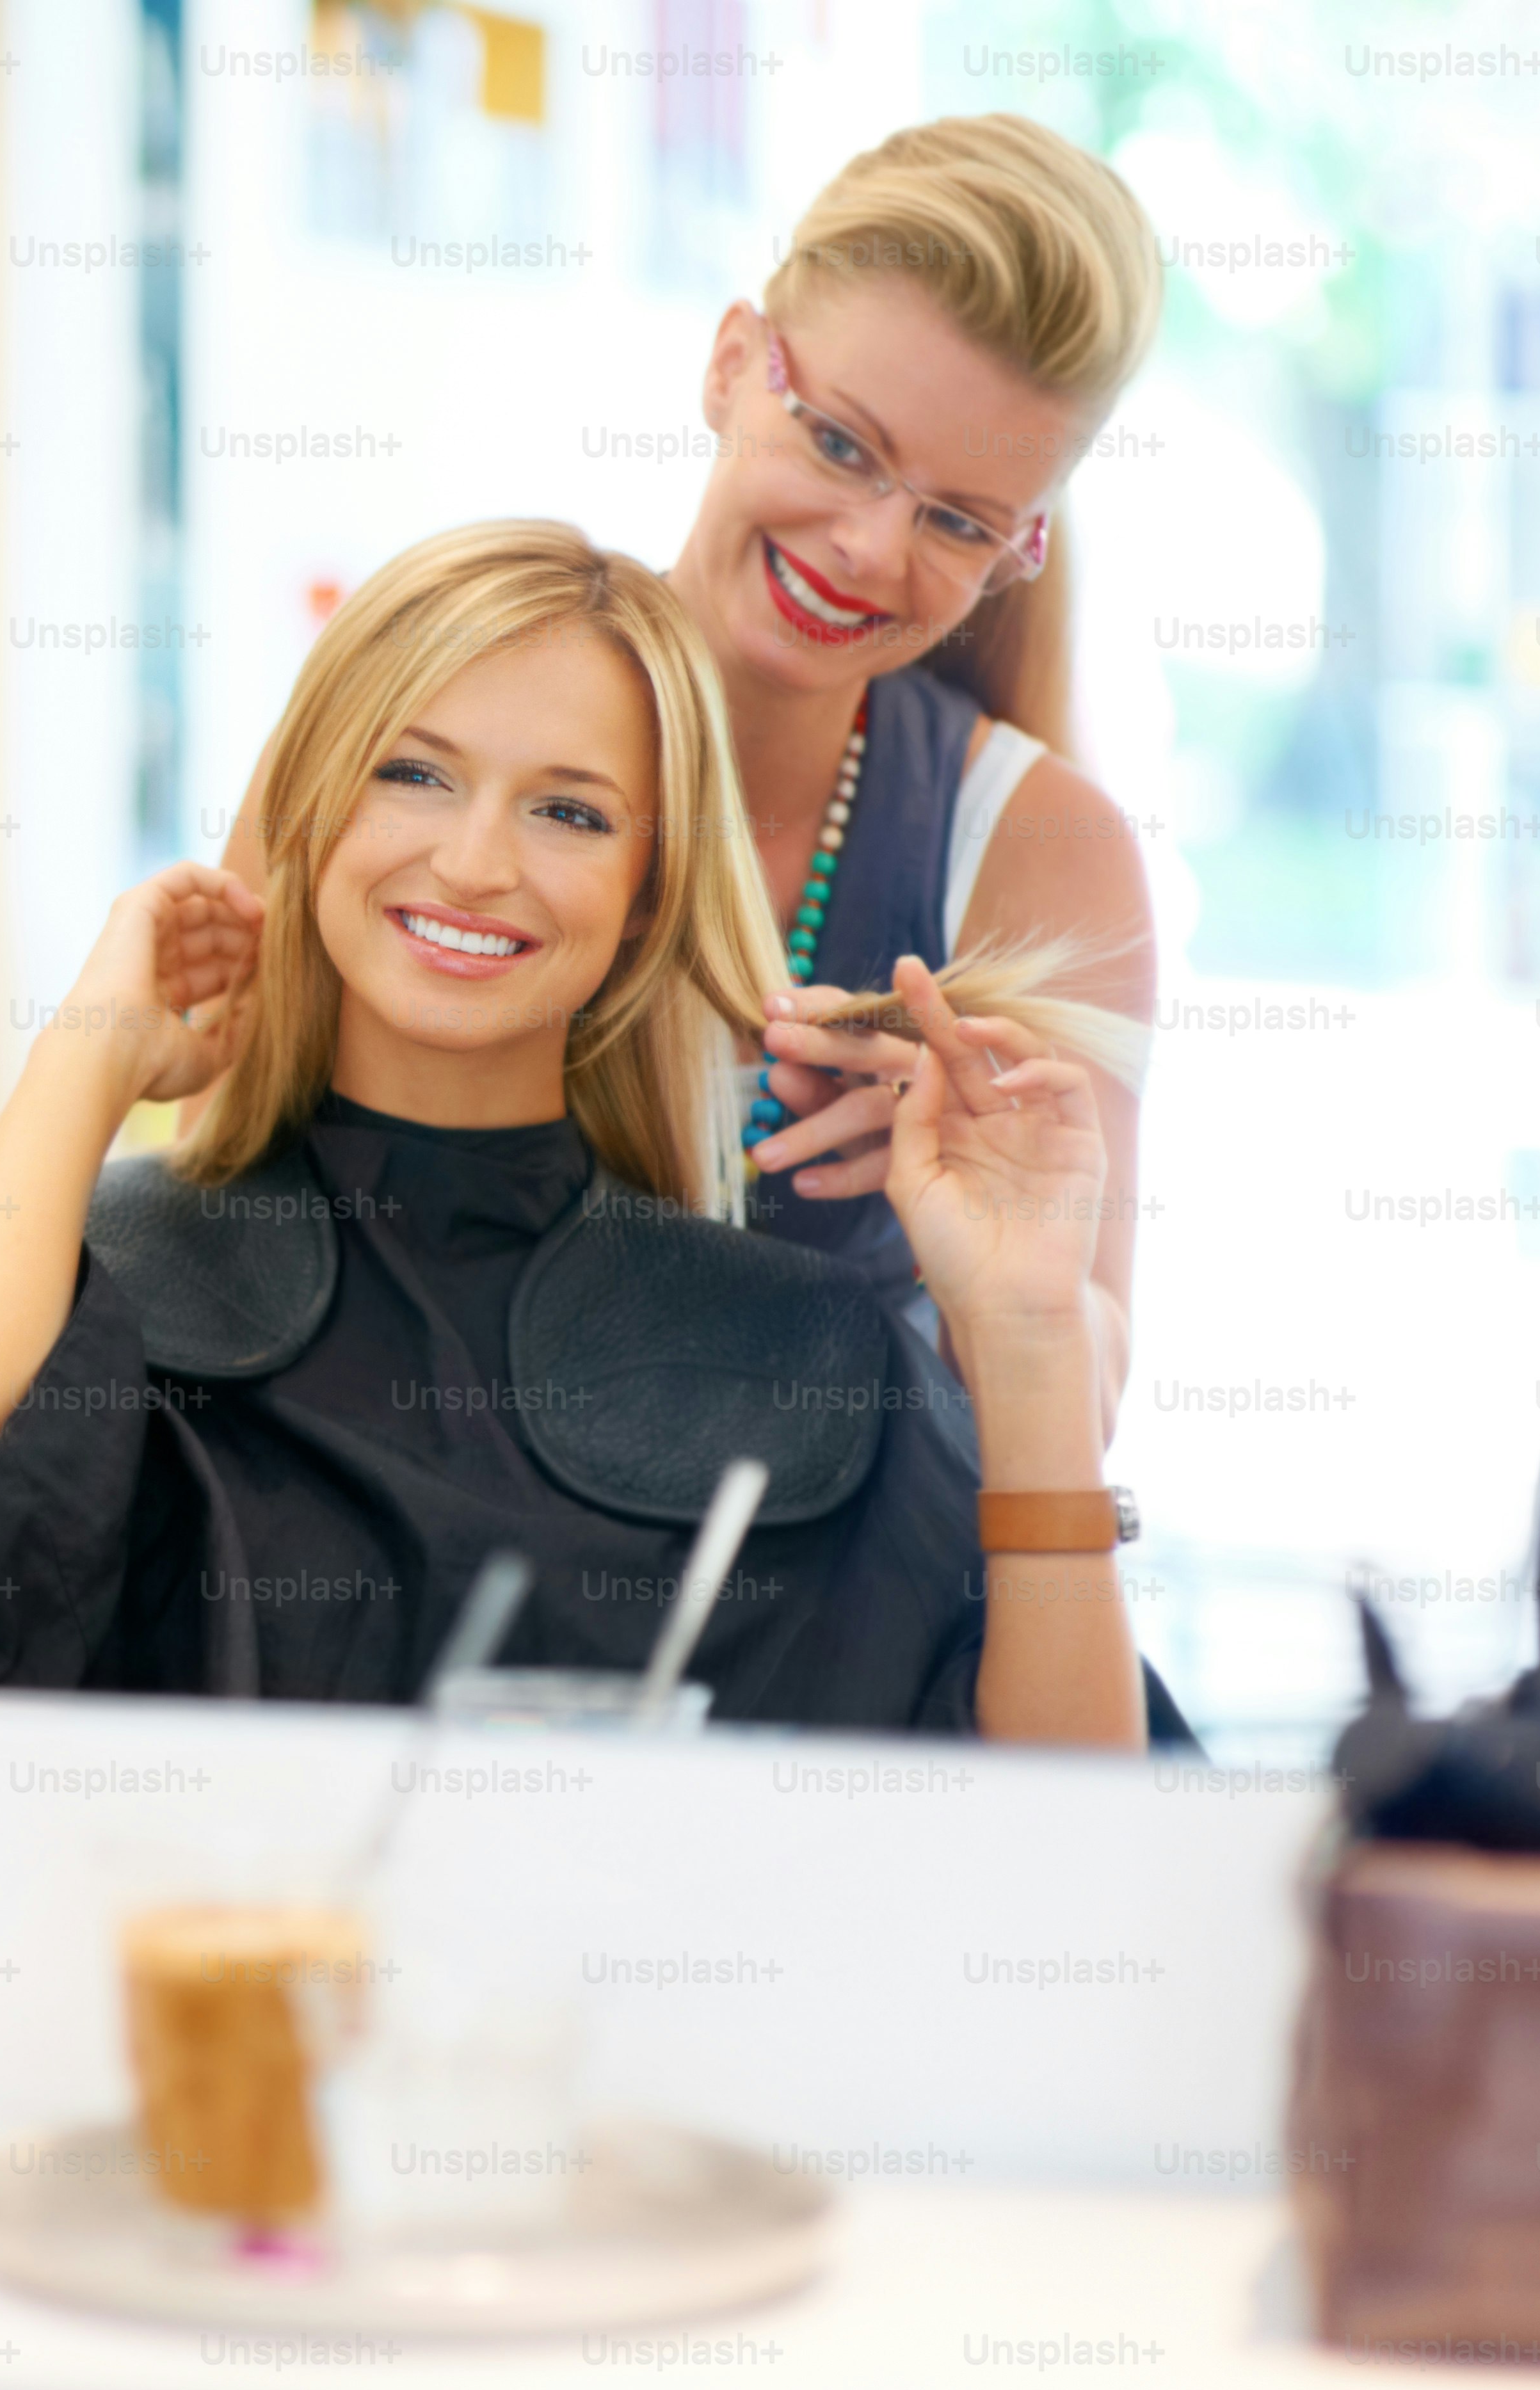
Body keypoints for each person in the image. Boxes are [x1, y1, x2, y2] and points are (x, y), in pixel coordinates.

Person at [0, 522, 1176, 1745]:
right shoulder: (89, 1288)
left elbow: (1069, 1825)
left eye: (568, 811)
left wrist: (1035, 1339)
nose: (476, 861)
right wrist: (89, 1056)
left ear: (645, 891)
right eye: (413, 774)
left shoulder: (803, 1353)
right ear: (310, 811)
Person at [223, 115, 1164, 1416]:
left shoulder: (1039, 853)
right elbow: (221, 1166)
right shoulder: (417, 705)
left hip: (813, 1604)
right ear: (732, 365)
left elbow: (1084, 1410)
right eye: (841, 443)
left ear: (1024, 550)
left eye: (956, 520)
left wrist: (992, 1250)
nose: (869, 551)